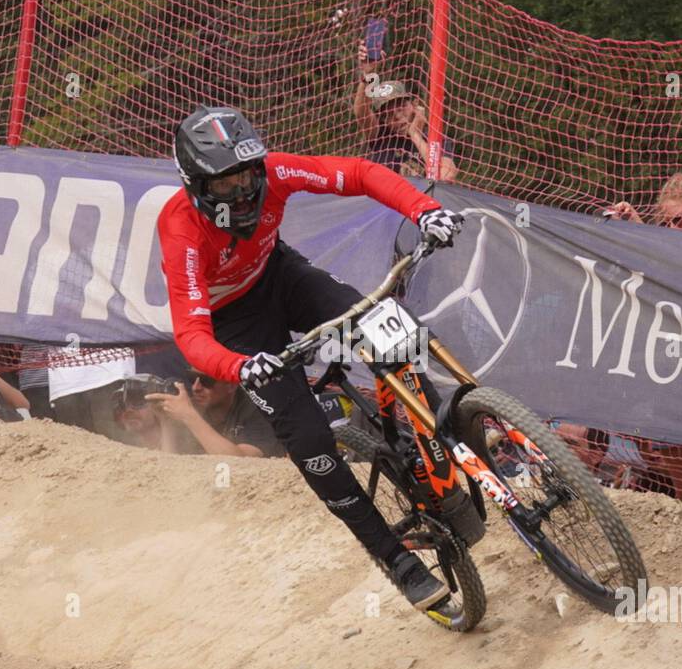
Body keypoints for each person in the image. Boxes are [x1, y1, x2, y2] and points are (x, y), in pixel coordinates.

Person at [162, 105, 464, 612]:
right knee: (309, 442)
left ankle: (447, 436)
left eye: (247, 175)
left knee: (388, 327)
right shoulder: (180, 229)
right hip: (236, 323)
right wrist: (240, 367)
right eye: (225, 184)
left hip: (281, 277)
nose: (242, 190)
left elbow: (359, 173)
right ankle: (397, 561)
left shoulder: (275, 171)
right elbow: (190, 333)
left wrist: (422, 210)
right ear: (195, 186)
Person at [353, 42, 458, 181]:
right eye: (389, 114)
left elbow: (446, 175)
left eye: (401, 107)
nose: (397, 116)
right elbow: (361, 112)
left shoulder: (435, 139)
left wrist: (415, 134)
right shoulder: (381, 136)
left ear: (414, 105)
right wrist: (368, 73)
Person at [118, 369, 283, 457]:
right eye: (192, 378)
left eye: (206, 381)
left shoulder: (256, 408)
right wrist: (166, 421)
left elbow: (239, 461)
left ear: (231, 385)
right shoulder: (194, 408)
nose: (196, 387)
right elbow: (171, 467)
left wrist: (190, 416)